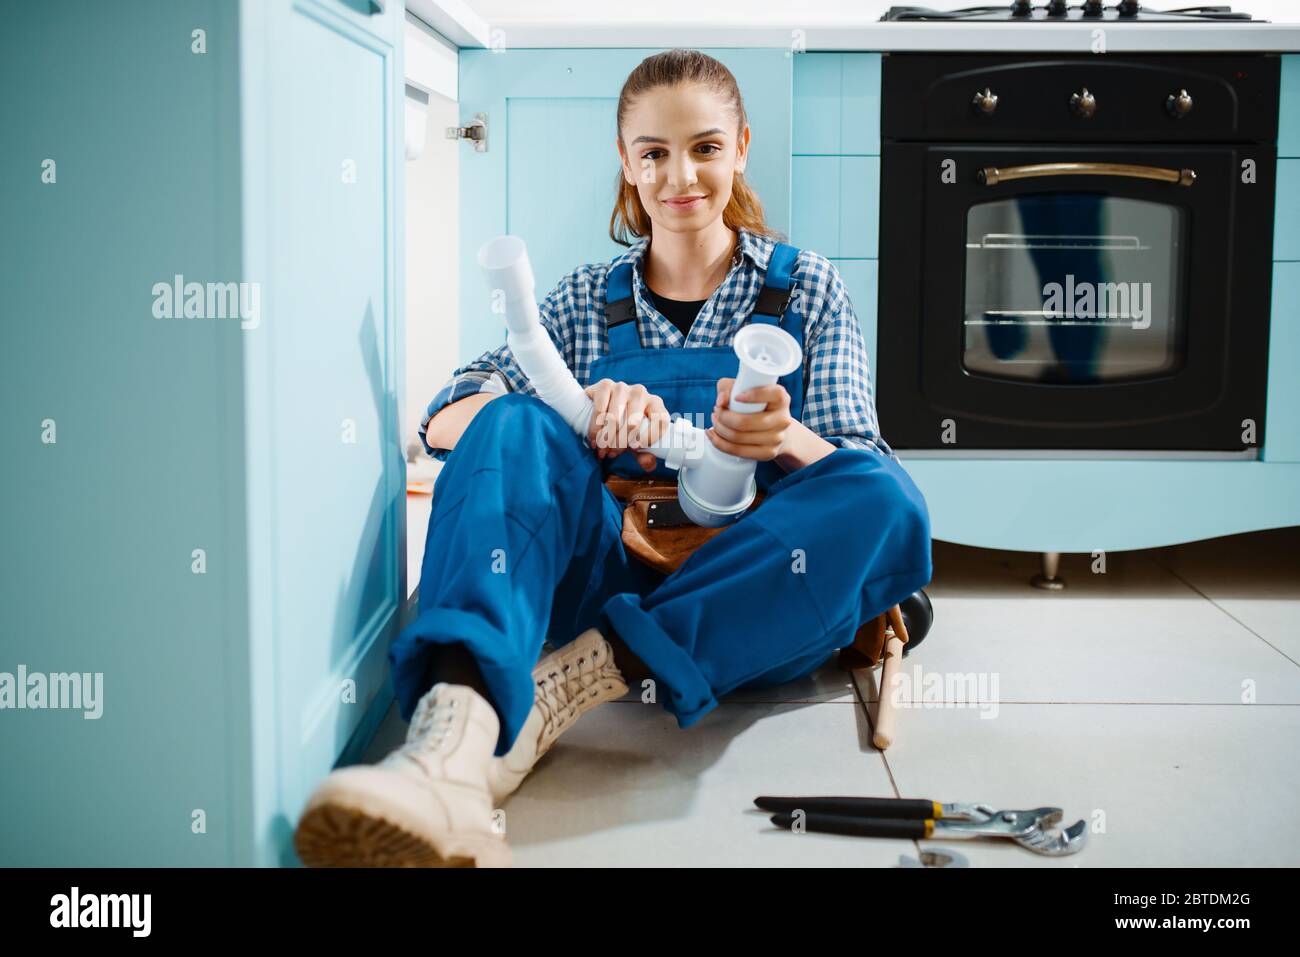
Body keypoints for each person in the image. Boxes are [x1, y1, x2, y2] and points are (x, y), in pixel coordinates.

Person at [294, 49, 933, 868]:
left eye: (704, 148)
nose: (680, 176)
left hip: (756, 596)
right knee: (513, 422)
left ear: (740, 148)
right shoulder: (580, 299)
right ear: (626, 163)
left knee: (889, 500)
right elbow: (446, 418)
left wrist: (780, 435)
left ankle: (571, 689)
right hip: (608, 574)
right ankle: (449, 752)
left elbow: (862, 467)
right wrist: (584, 406)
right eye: (654, 153)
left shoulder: (807, 288)